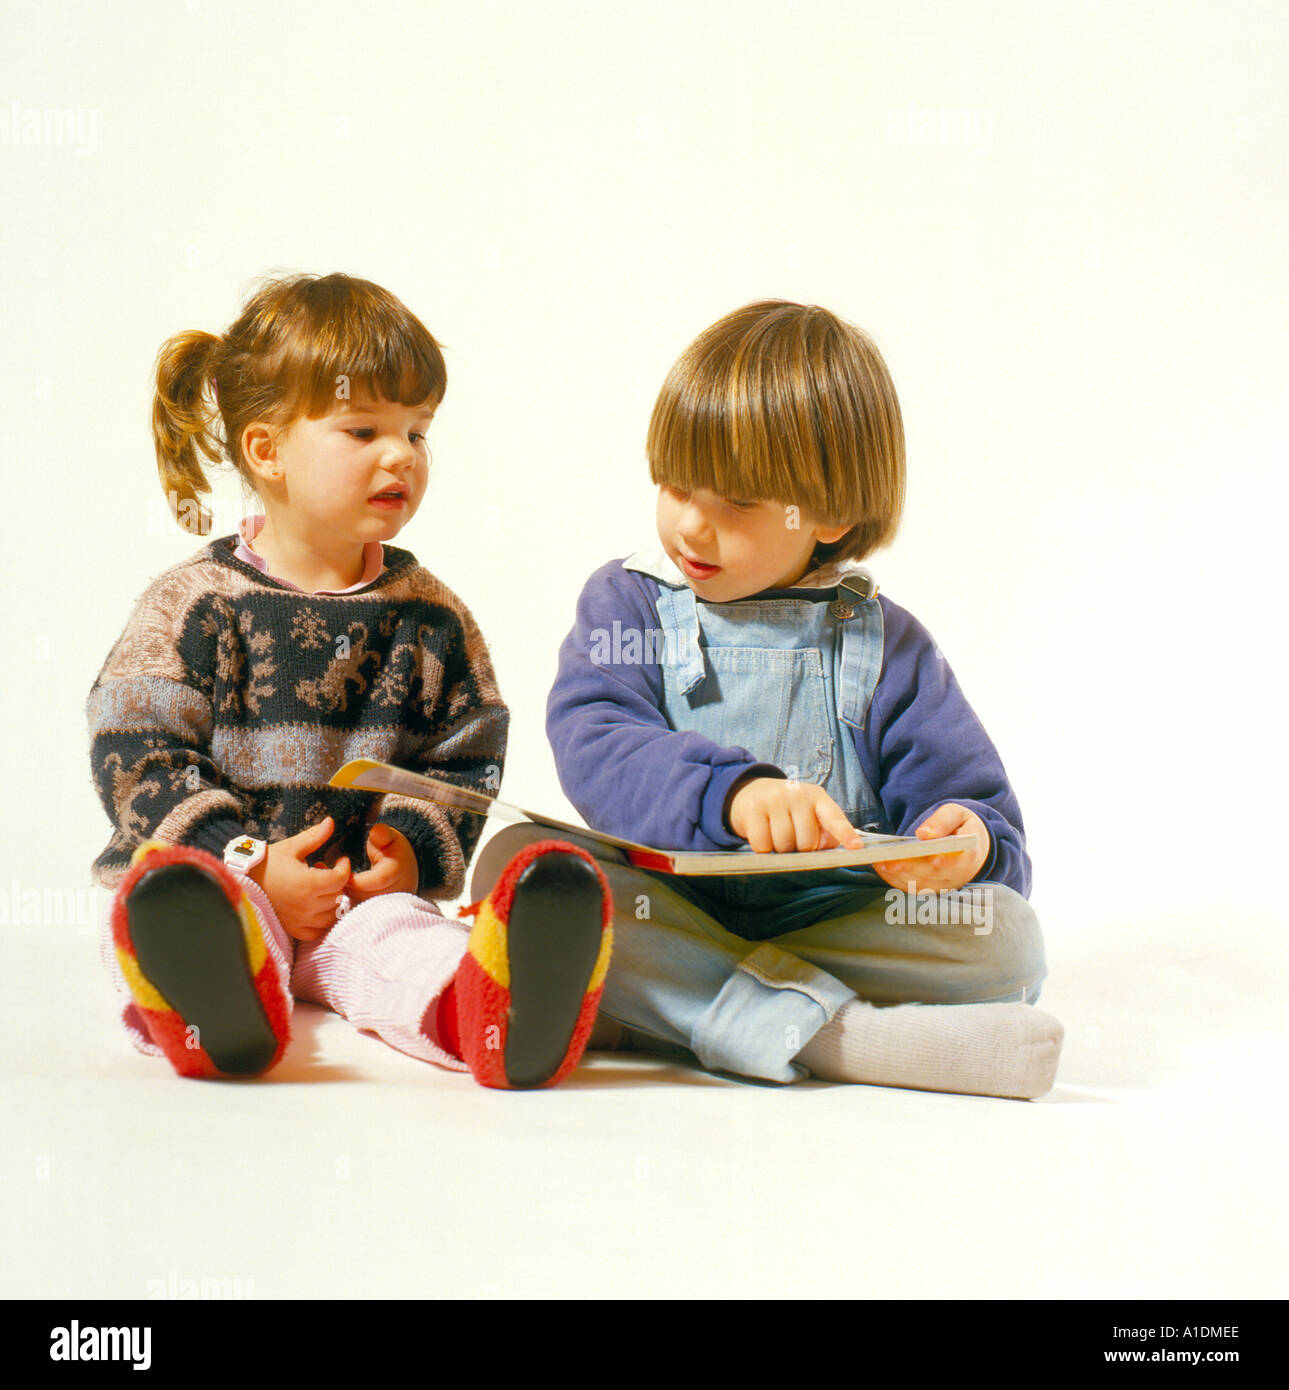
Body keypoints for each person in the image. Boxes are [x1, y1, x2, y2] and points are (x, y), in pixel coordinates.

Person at [473, 300, 1063, 1099]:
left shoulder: (888, 644)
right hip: (672, 908)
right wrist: (735, 793)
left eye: (736, 504)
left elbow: (980, 818)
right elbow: (596, 740)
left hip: (829, 923)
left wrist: (964, 845)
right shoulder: (629, 603)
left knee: (1006, 940)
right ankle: (845, 1041)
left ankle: (664, 1009)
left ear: (830, 515)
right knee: (513, 873)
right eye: (676, 485)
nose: (691, 527)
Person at [88, 271, 611, 1090]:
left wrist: (405, 848)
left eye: (418, 431)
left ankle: (484, 1009)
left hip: (354, 906)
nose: (401, 454)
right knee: (195, 912)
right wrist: (248, 859)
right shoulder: (193, 606)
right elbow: (137, 751)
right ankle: (215, 1010)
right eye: (362, 429)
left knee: (407, 945)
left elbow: (461, 755)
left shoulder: (431, 618)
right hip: (229, 878)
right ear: (265, 450)